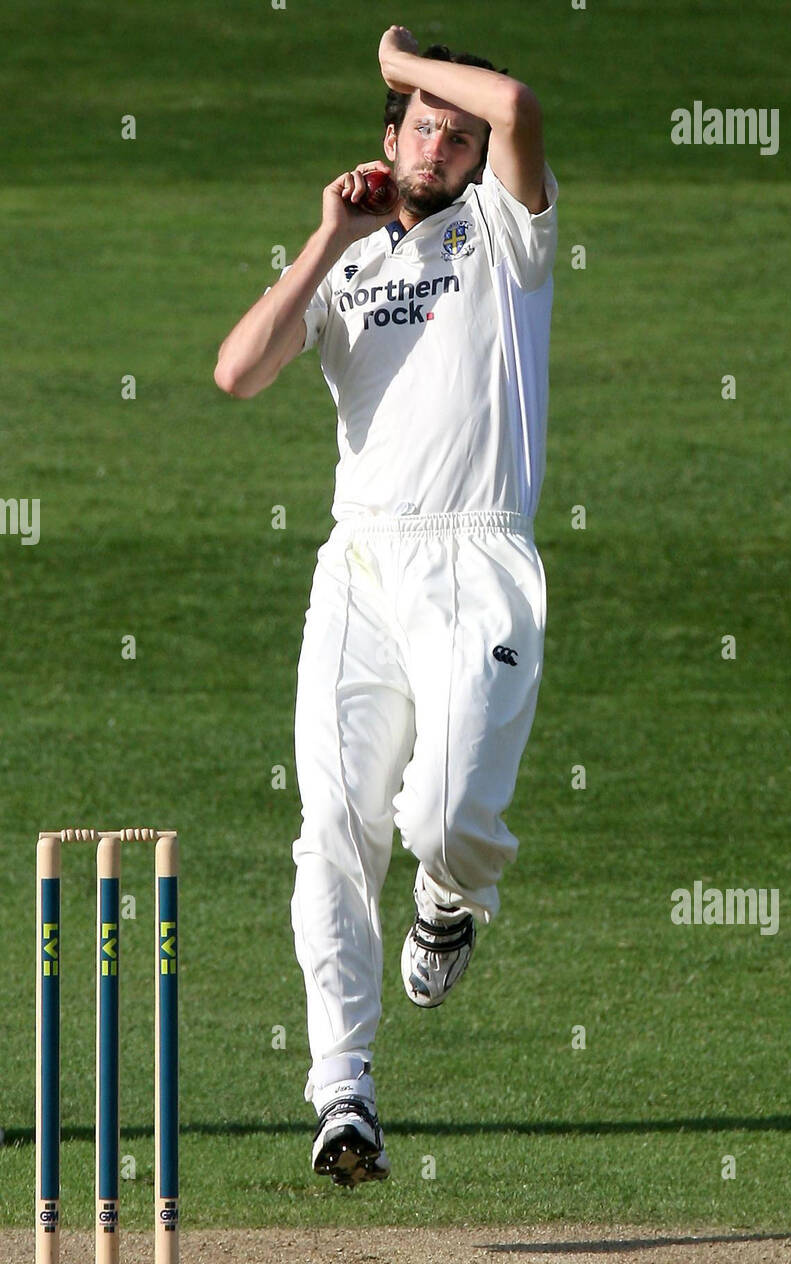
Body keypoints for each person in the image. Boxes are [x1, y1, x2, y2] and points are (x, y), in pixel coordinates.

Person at [214, 26, 558, 1187]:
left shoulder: (507, 232)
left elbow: (512, 102)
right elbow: (238, 370)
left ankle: (450, 904)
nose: (441, 139)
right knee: (334, 831)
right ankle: (342, 1091)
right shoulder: (348, 263)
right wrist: (326, 235)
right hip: (360, 564)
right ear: (387, 139)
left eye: (452, 134)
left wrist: (399, 56)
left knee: (446, 816)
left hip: (478, 558)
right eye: (420, 123)